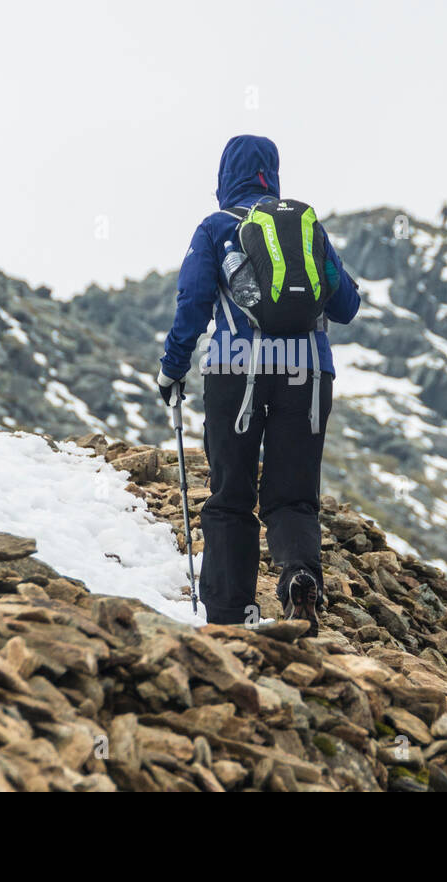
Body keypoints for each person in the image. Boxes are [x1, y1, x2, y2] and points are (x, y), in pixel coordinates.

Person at [157, 135, 360, 634]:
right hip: (308, 377)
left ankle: (230, 618)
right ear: (273, 172)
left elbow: (194, 302)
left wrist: (172, 366)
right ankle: (298, 578)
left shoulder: (215, 227)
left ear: (225, 175)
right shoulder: (304, 230)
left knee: (231, 494)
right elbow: (347, 306)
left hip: (234, 373)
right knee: (293, 496)